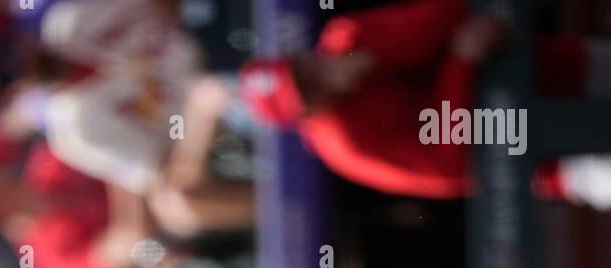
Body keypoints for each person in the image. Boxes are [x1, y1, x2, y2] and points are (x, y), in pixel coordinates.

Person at [239, 1, 611, 211]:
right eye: (306, 90)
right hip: (548, 157)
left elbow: (450, 12)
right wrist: (460, 64)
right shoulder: (344, 144)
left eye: (301, 71)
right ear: (303, 115)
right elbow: (450, 165)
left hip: (553, 71)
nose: (314, 78)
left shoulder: (346, 36)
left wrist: (373, 57)